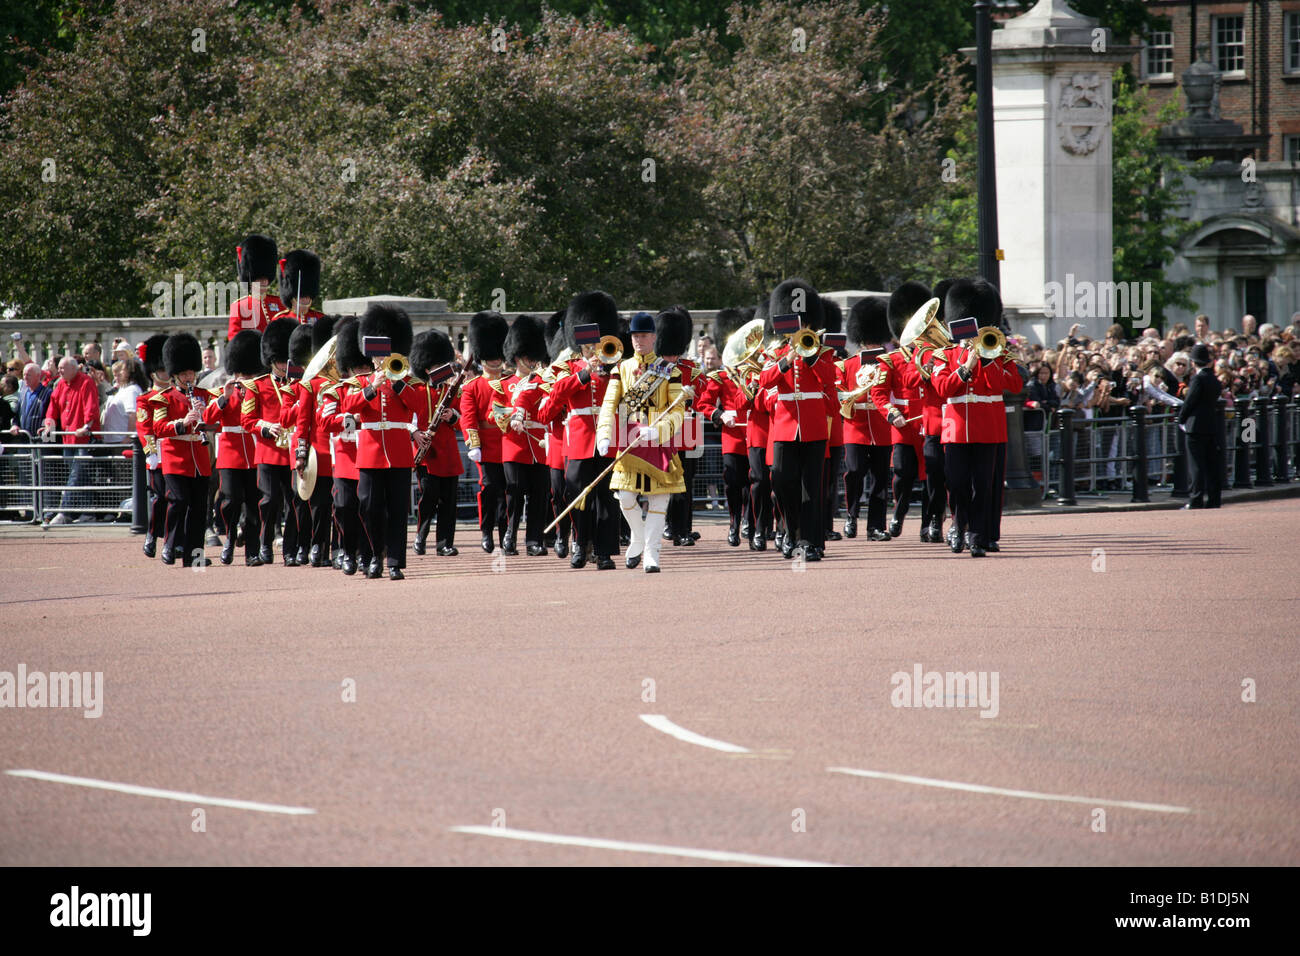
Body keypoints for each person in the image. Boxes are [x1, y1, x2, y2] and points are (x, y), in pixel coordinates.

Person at [930, 278, 1023, 557]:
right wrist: (966, 368)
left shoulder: (998, 352)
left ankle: (977, 535)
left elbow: (1014, 385)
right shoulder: (944, 355)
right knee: (956, 483)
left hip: (988, 428)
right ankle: (959, 526)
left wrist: (986, 360)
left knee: (983, 485)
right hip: (956, 429)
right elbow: (943, 389)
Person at [596, 309, 687, 573]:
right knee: (625, 496)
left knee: (660, 500)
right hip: (630, 439)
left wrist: (660, 430)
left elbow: (678, 409)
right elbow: (609, 404)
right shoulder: (621, 368)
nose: (638, 340)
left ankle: (651, 553)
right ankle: (637, 536)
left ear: (654, 337)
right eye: (635, 335)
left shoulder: (669, 370)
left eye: (644, 335)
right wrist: (604, 434)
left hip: (658, 439)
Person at [339, 304, 424, 580]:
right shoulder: (361, 381)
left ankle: (395, 562)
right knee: (369, 506)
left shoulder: (407, 379)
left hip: (399, 452)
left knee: (398, 510)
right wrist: (372, 386)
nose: (383, 358)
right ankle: (375, 555)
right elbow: (348, 406)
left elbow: (420, 407)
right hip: (371, 451)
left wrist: (397, 383)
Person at [538, 291, 622, 570]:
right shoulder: (570, 370)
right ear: (580, 346)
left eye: (597, 344)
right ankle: (580, 543)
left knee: (607, 500)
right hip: (579, 441)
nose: (593, 349)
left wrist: (609, 372)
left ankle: (605, 551)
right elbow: (556, 397)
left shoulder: (615, 368)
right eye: (588, 346)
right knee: (577, 497)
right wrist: (585, 373)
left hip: (607, 440)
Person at [758, 278, 838, 561]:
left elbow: (830, 381)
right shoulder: (776, 352)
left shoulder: (823, 351)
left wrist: (811, 355)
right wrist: (787, 359)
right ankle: (790, 533)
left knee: (811, 489)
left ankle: (810, 541)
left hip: (814, 428)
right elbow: (765, 380)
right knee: (781, 482)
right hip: (785, 427)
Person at [149, 333, 216, 566]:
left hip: (199, 457)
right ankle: (169, 545)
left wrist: (209, 411)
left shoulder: (204, 396)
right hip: (175, 458)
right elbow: (158, 427)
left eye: (192, 373)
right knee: (178, 501)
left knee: (199, 508)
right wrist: (182, 422)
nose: (190, 377)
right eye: (185, 374)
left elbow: (217, 422)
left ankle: (194, 556)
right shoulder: (164, 399)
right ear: (175, 375)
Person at [870, 281, 931, 539]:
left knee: (932, 478)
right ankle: (899, 511)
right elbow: (878, 393)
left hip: (928, 422)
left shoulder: (932, 356)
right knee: (902, 474)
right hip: (903, 424)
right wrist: (891, 413)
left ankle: (929, 524)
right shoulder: (891, 361)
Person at [241, 317, 300, 565]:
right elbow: (247, 419)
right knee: (269, 501)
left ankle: (289, 550)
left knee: (294, 502)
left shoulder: (299, 385)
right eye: (280, 361)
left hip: (294, 452)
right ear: (272, 360)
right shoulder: (257, 386)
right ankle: (265, 545)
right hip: (268, 451)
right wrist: (266, 427)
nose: (284, 366)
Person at [696, 307, 755, 547]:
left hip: (756, 432)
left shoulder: (756, 373)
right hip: (733, 434)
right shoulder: (721, 376)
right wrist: (720, 415)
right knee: (733, 481)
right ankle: (734, 523)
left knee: (756, 481)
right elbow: (703, 403)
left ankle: (751, 523)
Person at [205, 330, 265, 565]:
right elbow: (209, 418)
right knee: (229, 500)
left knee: (253, 503)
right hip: (230, 455)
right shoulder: (224, 391)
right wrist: (224, 398)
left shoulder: (259, 390)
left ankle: (252, 551)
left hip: (254, 452)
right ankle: (229, 538)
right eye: (243, 372)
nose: (246, 376)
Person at [318, 317, 372, 576]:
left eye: (366, 365)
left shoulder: (378, 389)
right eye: (358, 366)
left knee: (367, 508)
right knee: (344, 507)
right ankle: (346, 552)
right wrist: (354, 420)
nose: (362, 370)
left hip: (370, 457)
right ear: (348, 367)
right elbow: (327, 421)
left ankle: (364, 554)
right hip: (344, 457)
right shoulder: (335, 391)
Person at [841, 297, 893, 541]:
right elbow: (839, 395)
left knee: (881, 480)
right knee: (854, 472)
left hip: (882, 428)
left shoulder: (888, 364)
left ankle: (875, 526)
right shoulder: (847, 365)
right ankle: (851, 516)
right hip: (856, 427)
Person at [409, 328, 464, 557]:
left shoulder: (451, 391)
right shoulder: (417, 389)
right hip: (427, 453)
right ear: (426, 367)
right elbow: (407, 419)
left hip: (448, 452)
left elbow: (461, 420)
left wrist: (452, 416)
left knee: (449, 502)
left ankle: (445, 543)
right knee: (428, 499)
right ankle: (421, 536)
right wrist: (414, 433)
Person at [459, 311, 511, 553]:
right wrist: (474, 444)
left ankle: (506, 535)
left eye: (497, 355)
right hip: (487, 445)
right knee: (490, 489)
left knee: (509, 491)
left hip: (511, 442)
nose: (494, 360)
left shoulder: (512, 381)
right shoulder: (473, 386)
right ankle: (487, 531)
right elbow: (468, 417)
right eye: (490, 356)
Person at [501, 314, 552, 556]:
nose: (531, 362)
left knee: (539, 495)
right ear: (517, 357)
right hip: (515, 444)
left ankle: (534, 540)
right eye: (527, 358)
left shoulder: (544, 382)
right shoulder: (503, 384)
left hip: (539, 445)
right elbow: (494, 414)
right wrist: (513, 415)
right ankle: (509, 534)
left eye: (534, 357)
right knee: (515, 493)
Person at [658, 307, 703, 548]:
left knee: (686, 479)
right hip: (662, 430)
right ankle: (671, 526)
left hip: (686, 429)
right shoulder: (652, 369)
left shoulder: (690, 369)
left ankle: (683, 527)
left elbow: (702, 396)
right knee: (667, 481)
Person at [40, 356, 100, 524]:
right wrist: (48, 425)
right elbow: (53, 408)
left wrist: (86, 427)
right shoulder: (60, 384)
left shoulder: (86, 382)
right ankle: (88, 514)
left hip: (83, 439)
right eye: (58, 368)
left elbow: (91, 407)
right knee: (81, 477)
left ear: (74, 368)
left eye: (62, 368)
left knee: (75, 475)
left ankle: (64, 511)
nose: (59, 371)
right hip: (68, 438)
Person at [134, 336, 170, 557]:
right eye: (162, 369)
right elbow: (144, 428)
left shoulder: (178, 395)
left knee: (176, 499)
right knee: (160, 498)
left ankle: (172, 538)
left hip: (178, 452)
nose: (165, 373)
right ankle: (152, 533)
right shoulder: (145, 398)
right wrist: (151, 452)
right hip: (158, 454)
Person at [1178, 343, 1223, 509]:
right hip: (1210, 425)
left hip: (1195, 426)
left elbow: (1190, 402)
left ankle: (1196, 499)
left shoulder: (1198, 379)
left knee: (1196, 465)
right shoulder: (1214, 380)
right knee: (1211, 464)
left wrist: (1181, 418)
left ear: (1193, 362)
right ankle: (1214, 499)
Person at [227, 234, 284, 340]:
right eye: (259, 279)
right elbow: (235, 339)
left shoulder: (279, 304)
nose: (263, 282)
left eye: (266, 279)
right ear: (251, 280)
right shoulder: (240, 307)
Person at [273, 250, 325, 325]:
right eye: (300, 296)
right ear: (291, 297)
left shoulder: (321, 319)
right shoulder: (280, 320)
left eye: (307, 296)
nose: (305, 298)